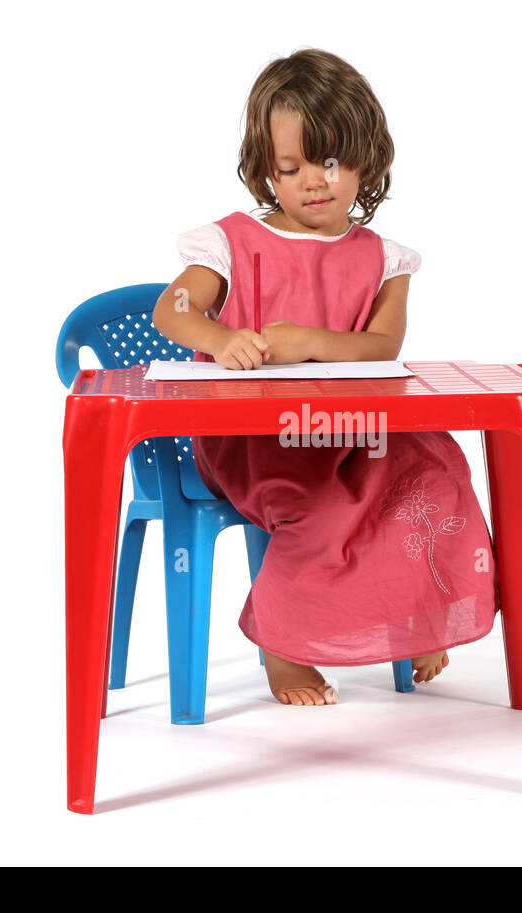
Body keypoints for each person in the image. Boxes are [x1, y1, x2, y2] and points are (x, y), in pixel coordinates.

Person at [152, 48, 499, 707]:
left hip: (354, 430)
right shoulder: (230, 243)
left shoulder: (382, 258)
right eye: (291, 167)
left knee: (437, 469)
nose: (314, 180)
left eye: (331, 161)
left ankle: (421, 616)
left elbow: (383, 344)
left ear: (367, 158)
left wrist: (306, 342)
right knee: (323, 504)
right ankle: (285, 648)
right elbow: (172, 309)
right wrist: (221, 339)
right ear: (265, 172)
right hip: (255, 442)